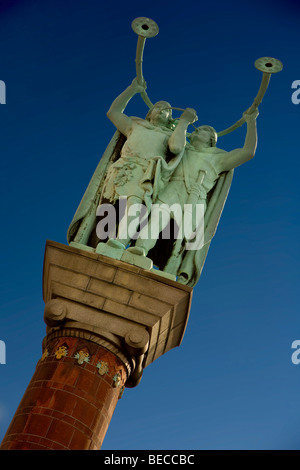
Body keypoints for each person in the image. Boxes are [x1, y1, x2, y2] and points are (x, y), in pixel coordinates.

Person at [132, 108, 259, 265]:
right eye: (199, 128)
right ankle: (140, 250)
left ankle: (172, 268)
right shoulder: (182, 149)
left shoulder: (219, 158)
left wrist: (251, 122)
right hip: (172, 189)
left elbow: (248, 152)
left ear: (211, 140)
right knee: (156, 218)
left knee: (182, 241)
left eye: (205, 130)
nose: (199, 129)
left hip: (196, 197)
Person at [98, 78, 197, 249]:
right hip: (121, 170)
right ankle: (99, 240)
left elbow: (176, 147)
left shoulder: (168, 135)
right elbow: (113, 112)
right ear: (149, 113)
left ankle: (121, 241)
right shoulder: (136, 125)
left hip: (144, 172)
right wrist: (131, 89)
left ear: (169, 119)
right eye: (158, 106)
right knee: (105, 210)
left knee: (135, 204)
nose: (162, 109)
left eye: (166, 109)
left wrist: (184, 123)